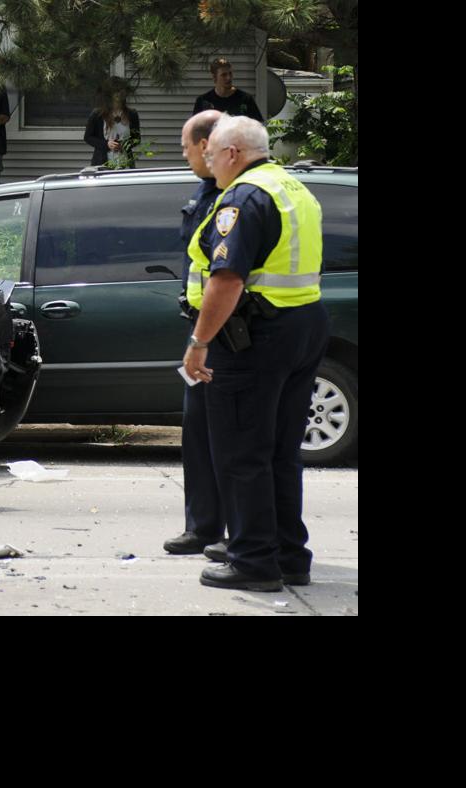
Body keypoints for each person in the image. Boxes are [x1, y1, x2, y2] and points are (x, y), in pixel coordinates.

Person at [180, 115, 328, 592]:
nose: (208, 165)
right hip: (301, 327)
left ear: (232, 153)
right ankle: (287, 554)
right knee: (281, 452)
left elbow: (227, 278)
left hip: (255, 336)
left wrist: (199, 343)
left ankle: (252, 561)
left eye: (210, 156)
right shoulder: (294, 188)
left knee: (243, 451)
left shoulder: (244, 197)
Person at [162, 110, 228, 560]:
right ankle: (202, 527)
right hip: (202, 326)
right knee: (199, 434)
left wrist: (204, 336)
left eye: (186, 147)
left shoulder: (234, 196)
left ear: (206, 146)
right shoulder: (206, 192)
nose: (184, 156)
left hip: (226, 333)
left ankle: (238, 534)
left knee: (230, 438)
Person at [83, 86, 141, 169]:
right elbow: (88, 137)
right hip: (102, 163)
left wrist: (125, 145)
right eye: (115, 91)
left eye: (120, 90)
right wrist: (107, 144)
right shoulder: (97, 114)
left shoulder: (132, 114)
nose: (118, 93)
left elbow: (137, 139)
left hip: (125, 163)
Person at [192, 58, 264, 122]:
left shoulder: (246, 99)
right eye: (224, 75)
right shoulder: (203, 101)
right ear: (214, 77)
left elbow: (258, 128)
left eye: (230, 73)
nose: (229, 78)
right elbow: (195, 130)